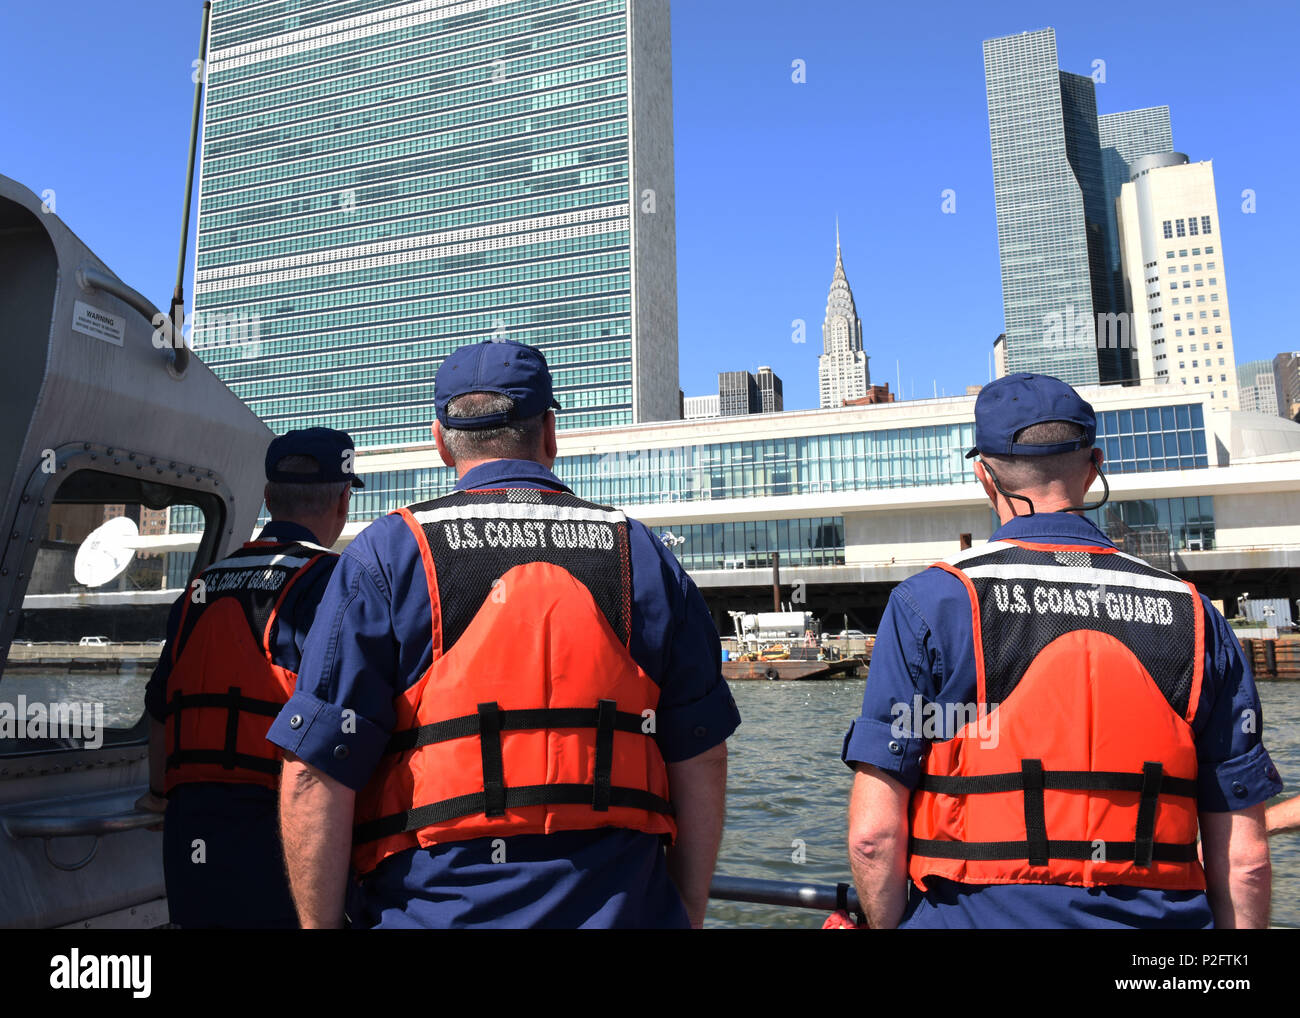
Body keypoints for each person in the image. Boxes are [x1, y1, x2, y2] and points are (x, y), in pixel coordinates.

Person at [270, 340, 739, 928]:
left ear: (441, 440)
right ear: (549, 430)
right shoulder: (641, 553)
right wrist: (686, 913)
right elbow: (703, 757)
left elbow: (315, 771)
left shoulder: (388, 556)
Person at [843, 373, 1283, 929]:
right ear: (1094, 465)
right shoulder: (1196, 615)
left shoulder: (932, 603)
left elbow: (873, 839)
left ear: (984, 476)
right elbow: (1245, 861)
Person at [137, 428, 361, 927]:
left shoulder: (200, 587)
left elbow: (161, 712)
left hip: (191, 828)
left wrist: (157, 794)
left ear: (267, 498)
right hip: (284, 831)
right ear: (343, 500)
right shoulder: (334, 582)